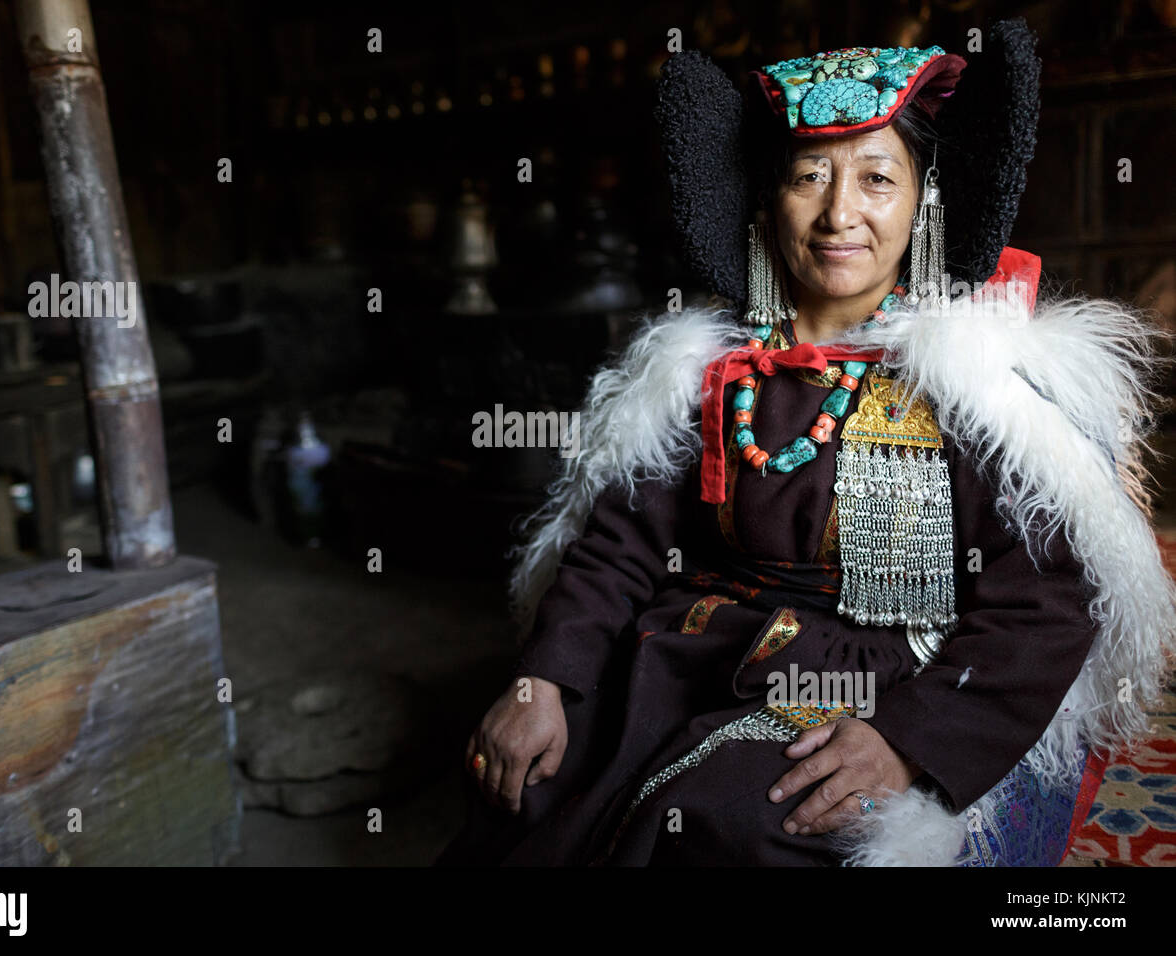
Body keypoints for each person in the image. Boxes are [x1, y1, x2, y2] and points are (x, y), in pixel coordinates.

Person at [438, 19, 1176, 866]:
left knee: (735, 820)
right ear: (768, 201)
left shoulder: (977, 383)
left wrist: (908, 740)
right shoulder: (709, 374)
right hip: (692, 650)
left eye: (876, 178)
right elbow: (620, 545)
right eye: (809, 178)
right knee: (525, 784)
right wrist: (548, 679)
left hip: (882, 679)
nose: (840, 213)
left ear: (921, 202)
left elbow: (1045, 597)